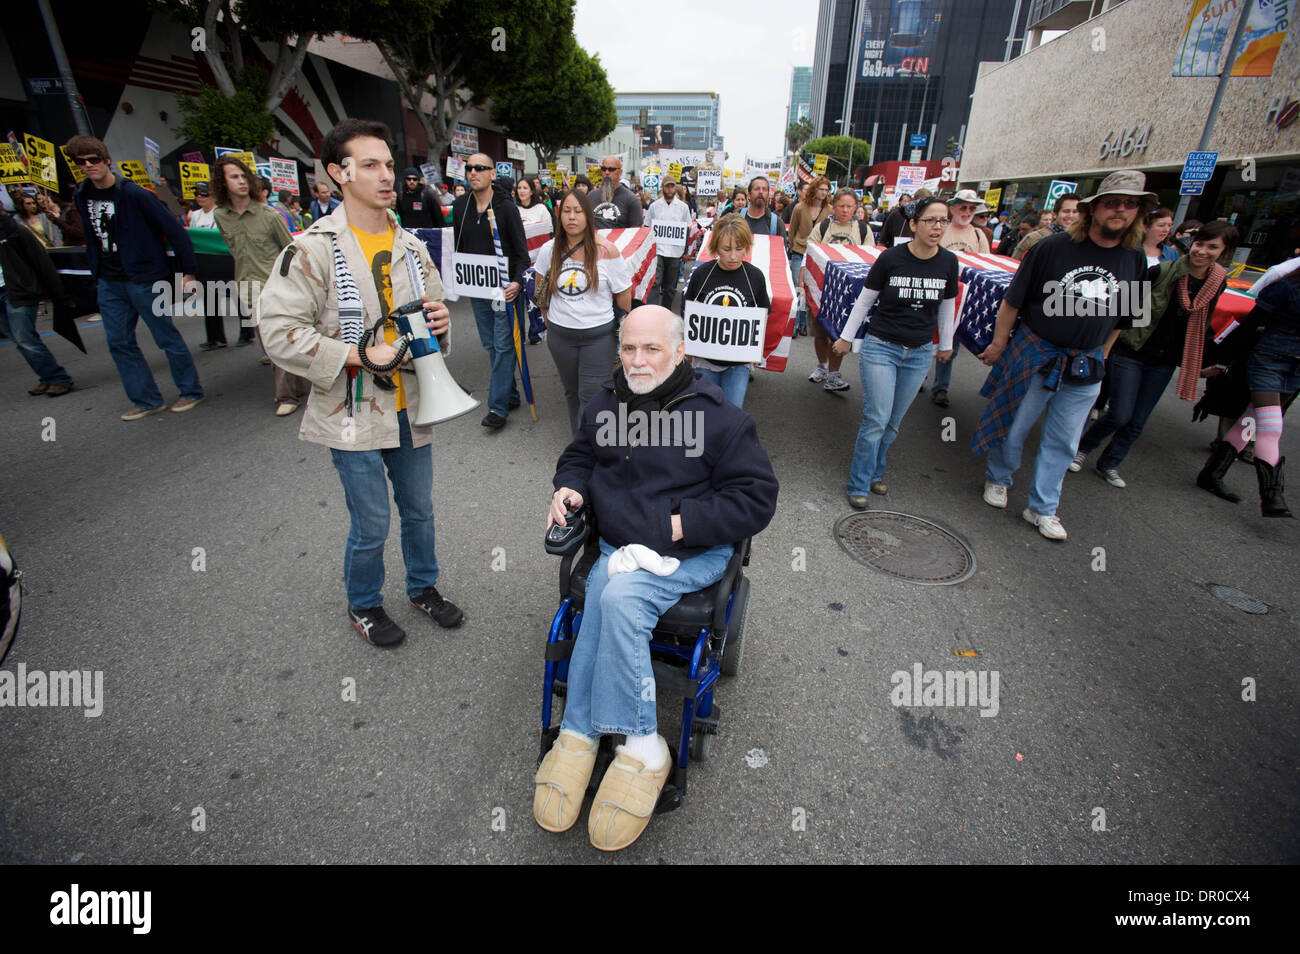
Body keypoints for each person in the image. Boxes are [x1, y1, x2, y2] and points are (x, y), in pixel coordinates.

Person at [537, 304, 778, 851]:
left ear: (679, 352)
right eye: (628, 348)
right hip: (621, 546)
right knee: (607, 587)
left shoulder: (721, 418)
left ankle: (642, 743)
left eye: (651, 349)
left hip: (689, 551)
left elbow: (757, 499)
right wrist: (569, 488)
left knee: (616, 596)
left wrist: (680, 522)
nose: (638, 360)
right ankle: (578, 735)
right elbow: (578, 455)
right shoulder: (608, 402)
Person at [258, 118, 463, 646]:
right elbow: (279, 333)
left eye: (389, 164)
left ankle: (423, 587)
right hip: (350, 411)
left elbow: (436, 311)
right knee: (371, 522)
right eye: (369, 165)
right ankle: (364, 604)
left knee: (420, 510)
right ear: (337, 173)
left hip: (412, 402)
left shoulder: (412, 247)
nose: (386, 175)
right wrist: (354, 353)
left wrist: (441, 324)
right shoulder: (312, 249)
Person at [971, 170, 1152, 540]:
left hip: (1086, 364)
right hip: (1037, 352)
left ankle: (1042, 508)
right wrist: (999, 344)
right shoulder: (1051, 248)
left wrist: (1101, 355)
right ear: (1093, 209)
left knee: (1065, 441)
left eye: (1129, 204)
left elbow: (1124, 318)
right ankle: (999, 478)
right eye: (1112, 203)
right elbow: (1012, 301)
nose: (1120, 210)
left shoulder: (1135, 260)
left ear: (1138, 213)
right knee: (1015, 426)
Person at [1073, 220, 1238, 487]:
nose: (1202, 251)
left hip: (1165, 360)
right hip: (1132, 350)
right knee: (1120, 413)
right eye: (1199, 243)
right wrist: (1106, 345)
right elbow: (1123, 307)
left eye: (1212, 247)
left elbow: (1204, 322)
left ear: (1225, 251)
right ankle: (1082, 448)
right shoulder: (1162, 271)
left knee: (1138, 421)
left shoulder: (1217, 282)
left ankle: (1110, 464)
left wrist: (1205, 361)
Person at [67, 134, 204, 420]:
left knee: (165, 337)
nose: (88, 165)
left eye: (94, 160)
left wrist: (188, 272)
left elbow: (176, 231)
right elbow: (91, 238)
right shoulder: (81, 195)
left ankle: (190, 391)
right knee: (118, 341)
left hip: (144, 278)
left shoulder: (135, 194)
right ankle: (146, 399)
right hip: (109, 280)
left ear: (107, 161)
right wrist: (96, 272)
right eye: (82, 162)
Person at [834, 197, 959, 506]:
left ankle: (876, 473)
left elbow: (946, 305)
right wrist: (846, 338)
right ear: (914, 224)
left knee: (893, 422)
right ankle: (859, 483)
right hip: (882, 348)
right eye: (930, 220)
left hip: (918, 353)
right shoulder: (891, 258)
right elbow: (864, 301)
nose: (937, 227)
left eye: (943, 220)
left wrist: (946, 344)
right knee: (876, 418)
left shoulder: (948, 262)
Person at [1195, 267, 1299, 517]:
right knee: (1271, 427)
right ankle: (1272, 495)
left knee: (1250, 421)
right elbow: (1249, 325)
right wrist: (1223, 361)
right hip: (1269, 361)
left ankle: (1211, 474)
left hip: (1295, 370)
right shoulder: (1285, 287)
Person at [212, 155, 308, 416]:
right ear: (222, 182)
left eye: (244, 176)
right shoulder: (220, 216)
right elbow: (233, 250)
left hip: (276, 287)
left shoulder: (269, 215)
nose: (242, 181)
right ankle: (296, 384)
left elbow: (292, 252)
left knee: (277, 340)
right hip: (247, 288)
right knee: (269, 344)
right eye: (234, 176)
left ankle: (286, 395)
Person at [535, 189, 632, 433]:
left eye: (578, 211)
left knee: (592, 396)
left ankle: (588, 450)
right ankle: (580, 444)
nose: (572, 216)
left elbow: (623, 295)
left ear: (588, 216)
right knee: (572, 392)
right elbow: (540, 291)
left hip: (598, 338)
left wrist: (622, 335)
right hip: (561, 337)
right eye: (566, 211)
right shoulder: (549, 249)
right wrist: (550, 322)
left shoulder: (607, 252)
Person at [451, 152, 529, 429]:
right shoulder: (460, 206)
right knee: (491, 345)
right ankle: (510, 394)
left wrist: (517, 283)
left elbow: (522, 254)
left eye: (480, 168)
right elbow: (458, 248)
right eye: (469, 168)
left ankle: (497, 408)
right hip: (477, 289)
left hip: (504, 291)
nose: (473, 172)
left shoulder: (507, 208)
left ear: (492, 173)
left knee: (504, 346)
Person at [681, 214, 770, 407]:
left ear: (747, 246)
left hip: (739, 362)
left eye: (739, 249)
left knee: (732, 411)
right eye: (726, 249)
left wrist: (757, 349)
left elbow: (762, 315)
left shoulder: (755, 276)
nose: (733, 256)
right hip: (705, 359)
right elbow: (688, 313)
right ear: (716, 248)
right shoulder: (702, 274)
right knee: (705, 411)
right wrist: (687, 347)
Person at [0, 207, 76, 396]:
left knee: (25, 338)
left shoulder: (12, 229)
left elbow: (40, 260)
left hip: (18, 291)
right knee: (19, 339)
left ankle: (59, 379)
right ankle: (47, 377)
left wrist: (59, 294)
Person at [787, 176, 831, 337]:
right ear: (815, 189)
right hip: (800, 251)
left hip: (818, 255)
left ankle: (805, 323)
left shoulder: (829, 210)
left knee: (811, 289)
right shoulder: (800, 208)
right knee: (799, 289)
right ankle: (796, 325)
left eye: (826, 190)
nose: (824, 193)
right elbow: (792, 230)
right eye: (821, 189)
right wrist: (794, 247)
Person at [644, 176, 691, 310]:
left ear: (675, 188)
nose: (669, 189)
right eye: (667, 186)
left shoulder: (683, 207)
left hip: (676, 251)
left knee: (670, 286)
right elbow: (647, 227)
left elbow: (687, 229)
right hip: (658, 250)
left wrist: (686, 251)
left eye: (672, 186)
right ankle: (651, 310)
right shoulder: (654, 206)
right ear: (663, 188)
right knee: (655, 281)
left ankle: (666, 311)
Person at [1013, 194, 1078, 261]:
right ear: (1055, 214)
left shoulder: (1081, 241)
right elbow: (1013, 265)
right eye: (1066, 211)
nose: (1071, 215)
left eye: (1075, 212)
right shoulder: (1032, 238)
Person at [591, 156, 642, 229]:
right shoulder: (591, 196)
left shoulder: (631, 200)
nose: (607, 172)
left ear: (620, 172)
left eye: (611, 169)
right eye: (604, 169)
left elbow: (636, 233)